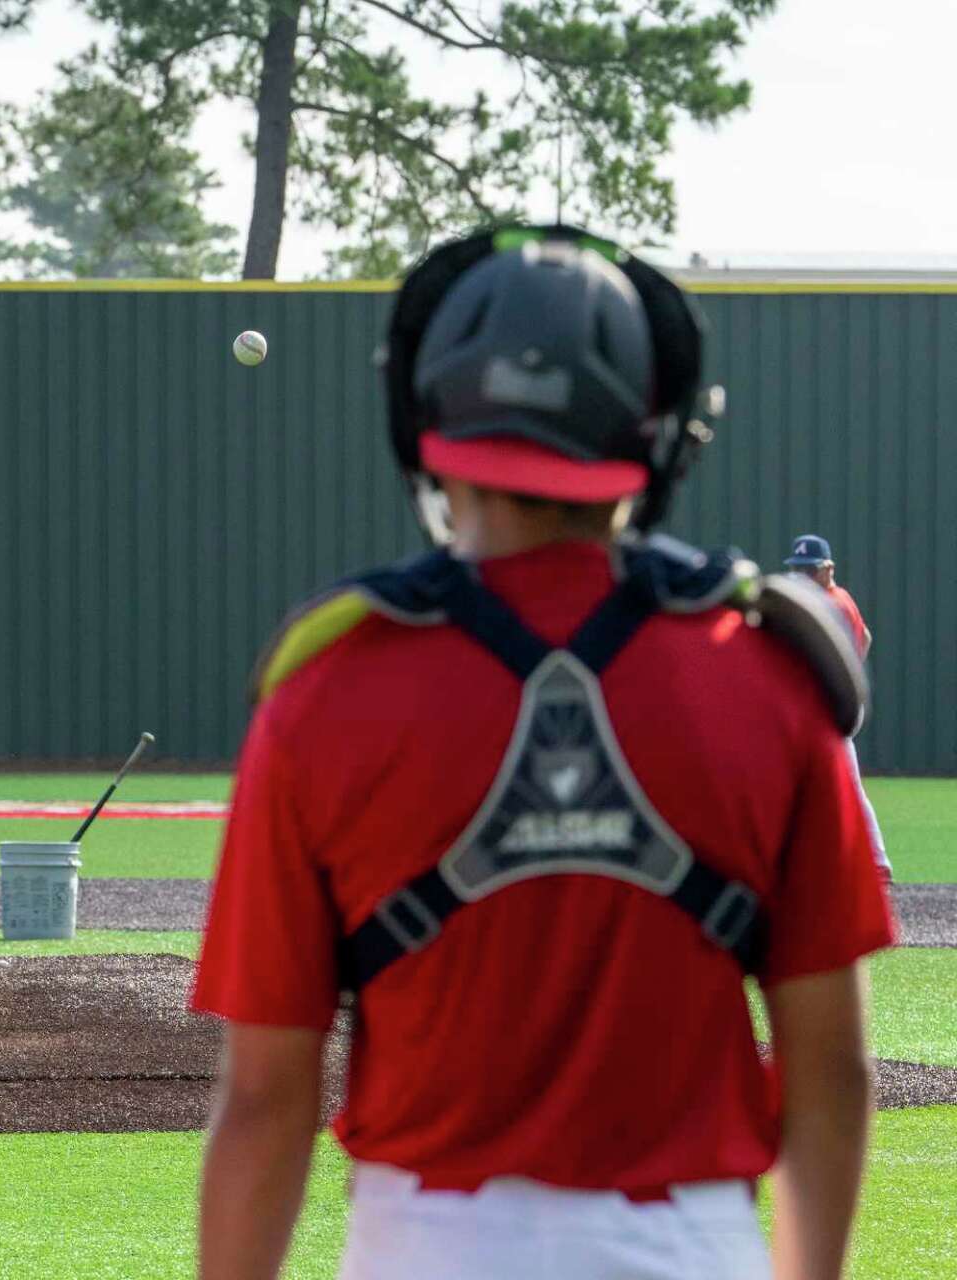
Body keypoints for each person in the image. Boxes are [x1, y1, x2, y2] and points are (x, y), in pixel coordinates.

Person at [195, 227, 894, 1280]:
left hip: (422, 1244)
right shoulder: (768, 676)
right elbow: (830, 1067)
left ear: (425, 420)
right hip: (693, 1243)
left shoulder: (326, 689)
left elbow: (265, 1097)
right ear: (657, 433)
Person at [785, 533, 893, 882]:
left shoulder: (831, 603)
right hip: (835, 701)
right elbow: (866, 637)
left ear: (828, 569)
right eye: (798, 568)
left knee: (844, 783)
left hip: (834, 705)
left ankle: (876, 862)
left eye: (809, 568)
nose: (802, 574)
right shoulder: (836, 597)